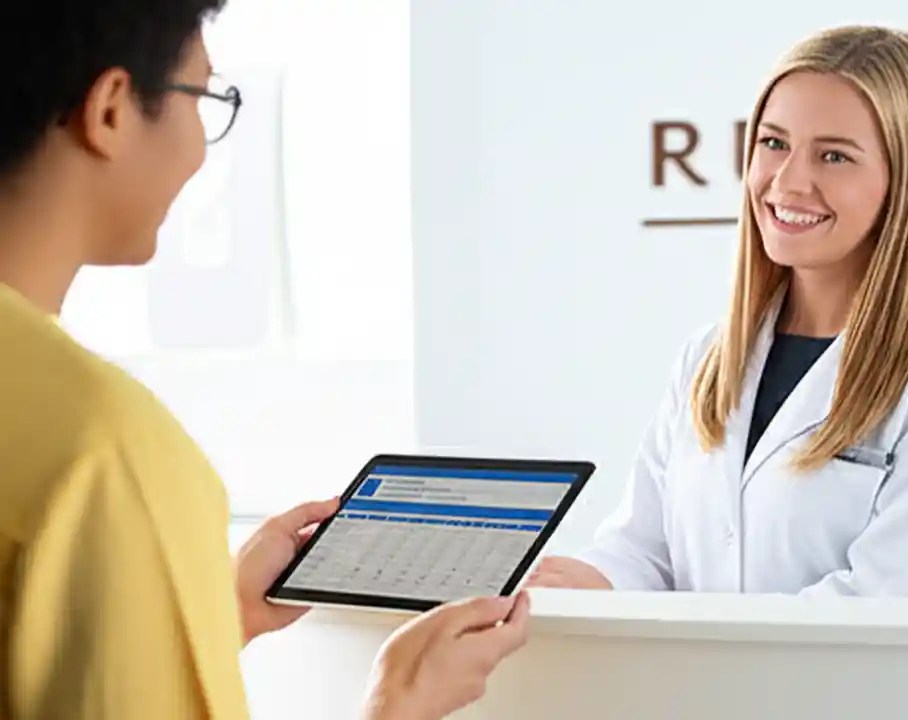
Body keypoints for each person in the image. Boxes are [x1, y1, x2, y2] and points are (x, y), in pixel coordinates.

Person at [0, 2, 527, 718]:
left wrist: (213, 612)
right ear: (112, 110)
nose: (202, 146)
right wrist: (396, 707)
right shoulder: (105, 450)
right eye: (205, 97)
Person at [529, 25, 908, 597]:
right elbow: (646, 552)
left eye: (834, 156)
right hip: (685, 687)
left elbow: (893, 603)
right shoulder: (707, 357)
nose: (788, 181)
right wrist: (580, 582)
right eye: (773, 143)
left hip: (841, 689)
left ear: (902, 180)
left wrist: (712, 650)